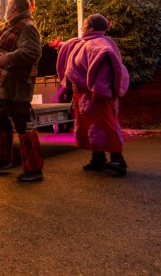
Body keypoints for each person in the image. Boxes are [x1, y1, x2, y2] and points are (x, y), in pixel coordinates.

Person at [56, 14, 131, 176]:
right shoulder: (88, 43)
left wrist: (100, 90)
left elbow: (106, 68)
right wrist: (59, 45)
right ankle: (98, 158)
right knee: (91, 126)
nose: (82, 27)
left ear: (91, 28)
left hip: (98, 95)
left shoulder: (100, 44)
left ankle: (117, 160)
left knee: (105, 124)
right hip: (85, 95)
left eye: (84, 24)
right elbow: (72, 45)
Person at [0, 0, 45, 183]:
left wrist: (7, 58)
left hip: (16, 87)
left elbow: (33, 52)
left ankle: (34, 168)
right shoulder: (9, 26)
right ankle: (0, 161)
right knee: (1, 122)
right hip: (2, 87)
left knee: (23, 125)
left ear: (15, 9)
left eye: (8, 6)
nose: (6, 9)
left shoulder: (27, 27)